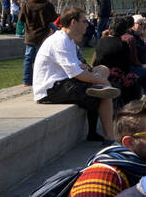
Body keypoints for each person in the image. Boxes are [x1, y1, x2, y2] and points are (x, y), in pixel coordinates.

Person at [33, 8, 121, 142]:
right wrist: (101, 81)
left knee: (102, 70)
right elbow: (77, 73)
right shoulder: (60, 40)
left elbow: (78, 68)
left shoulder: (68, 40)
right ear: (73, 22)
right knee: (105, 92)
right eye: (84, 21)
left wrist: (95, 75)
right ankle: (110, 137)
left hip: (63, 83)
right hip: (51, 89)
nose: (87, 24)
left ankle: (93, 133)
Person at [20, 0, 58, 87]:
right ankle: (41, 79)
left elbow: (21, 19)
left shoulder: (26, 4)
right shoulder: (48, 5)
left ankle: (27, 80)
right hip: (43, 37)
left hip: (30, 36)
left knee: (28, 59)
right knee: (43, 59)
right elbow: (53, 19)